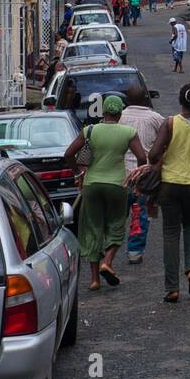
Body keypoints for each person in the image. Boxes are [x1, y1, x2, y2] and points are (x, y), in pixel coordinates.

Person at [64, 95, 148, 291]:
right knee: (116, 225)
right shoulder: (128, 132)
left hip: (91, 185)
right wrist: (136, 177)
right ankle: (107, 262)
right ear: (119, 114)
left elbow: (68, 154)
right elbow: (142, 157)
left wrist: (77, 173)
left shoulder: (89, 130)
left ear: (104, 113)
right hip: (117, 185)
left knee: (93, 229)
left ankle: (94, 279)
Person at [148, 84, 190, 303]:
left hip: (170, 185)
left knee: (170, 233)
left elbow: (153, 154)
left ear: (180, 101)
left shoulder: (170, 123)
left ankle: (172, 288)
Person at [119, 85, 165, 265]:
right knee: (140, 214)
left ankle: (109, 249)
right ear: (145, 98)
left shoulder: (119, 117)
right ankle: (135, 251)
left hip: (121, 175)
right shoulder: (156, 118)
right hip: (145, 176)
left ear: (127, 100)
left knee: (117, 216)